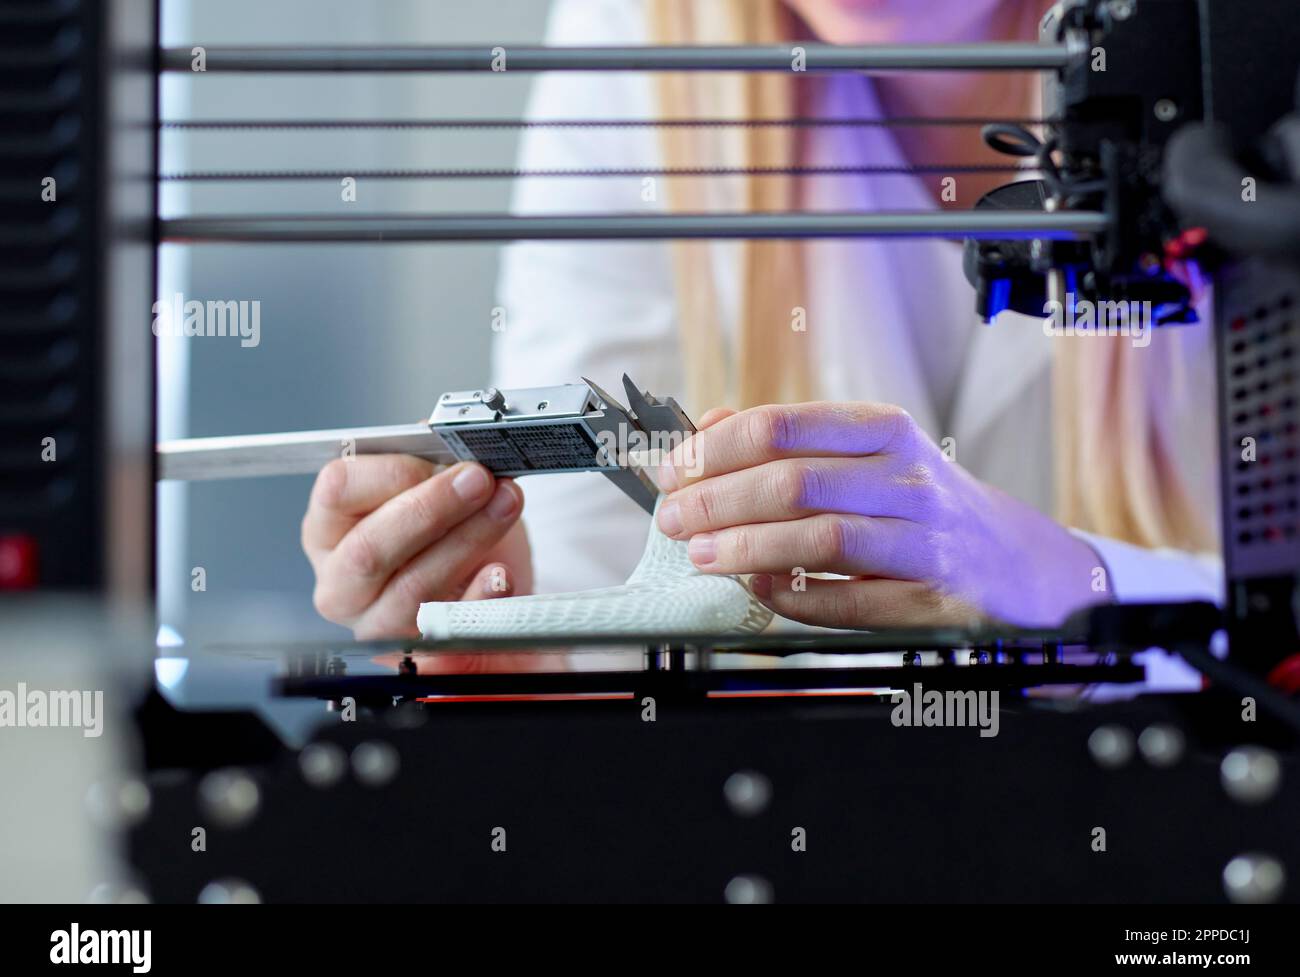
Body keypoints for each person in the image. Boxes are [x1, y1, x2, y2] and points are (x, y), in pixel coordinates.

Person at [301, 0, 1221, 647]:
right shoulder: (638, 46)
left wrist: (1058, 581)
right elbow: (603, 609)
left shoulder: (1245, 61)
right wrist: (511, 633)